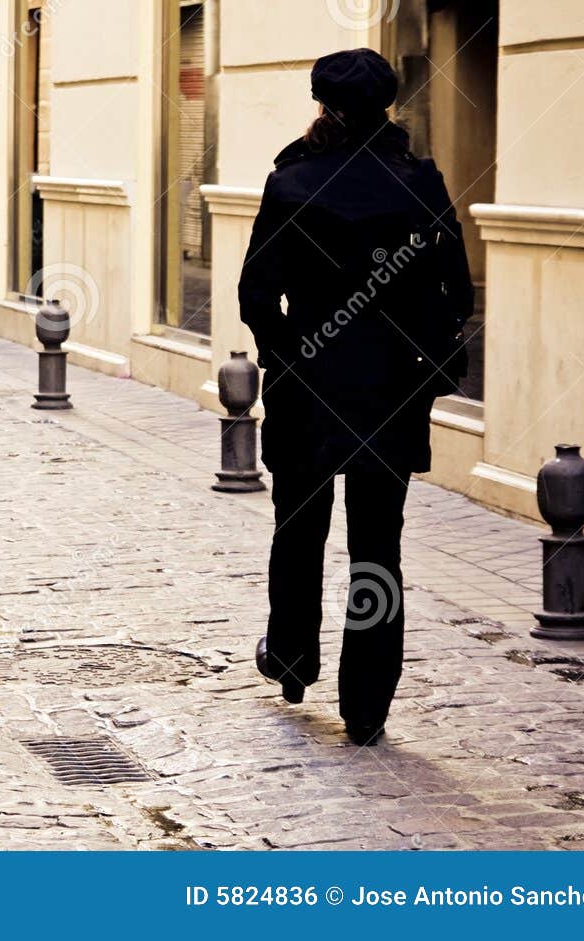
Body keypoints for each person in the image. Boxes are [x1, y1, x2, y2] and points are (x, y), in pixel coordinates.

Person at [237, 48, 474, 745]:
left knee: (298, 527)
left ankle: (291, 654)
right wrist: (419, 354)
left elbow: (256, 294)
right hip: (390, 390)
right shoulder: (419, 183)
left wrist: (285, 353)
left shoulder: (292, 183)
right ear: (386, 107)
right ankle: (366, 702)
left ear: (322, 105)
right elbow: (455, 290)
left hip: (307, 385)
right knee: (378, 547)